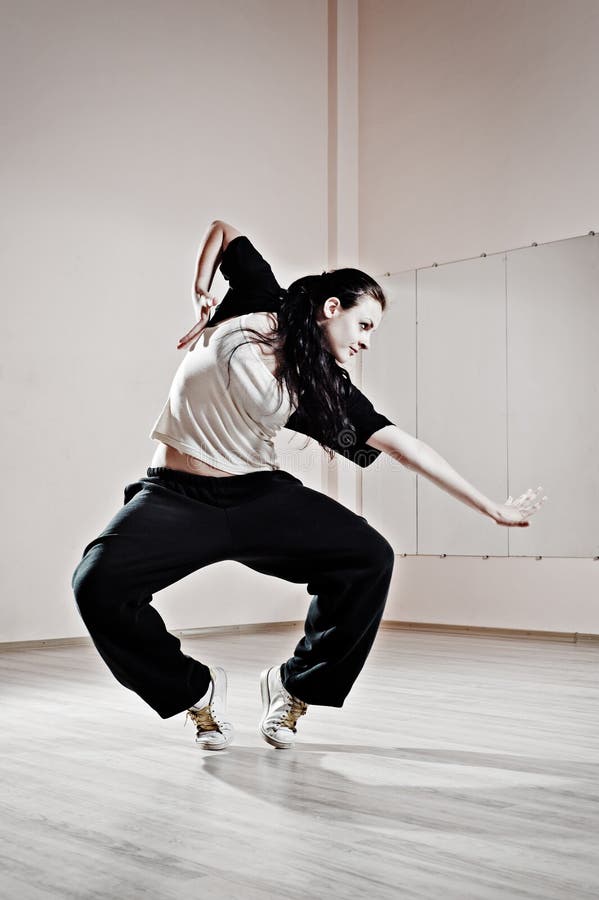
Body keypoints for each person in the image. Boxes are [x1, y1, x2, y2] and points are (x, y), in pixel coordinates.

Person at [71, 220, 546, 752]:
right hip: (175, 496)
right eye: (364, 326)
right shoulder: (254, 300)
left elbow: (402, 445)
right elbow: (223, 232)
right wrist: (201, 292)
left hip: (257, 498)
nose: (366, 342)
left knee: (368, 557)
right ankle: (196, 691)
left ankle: (292, 686)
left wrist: (490, 509)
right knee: (97, 583)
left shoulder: (322, 388)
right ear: (331, 308)